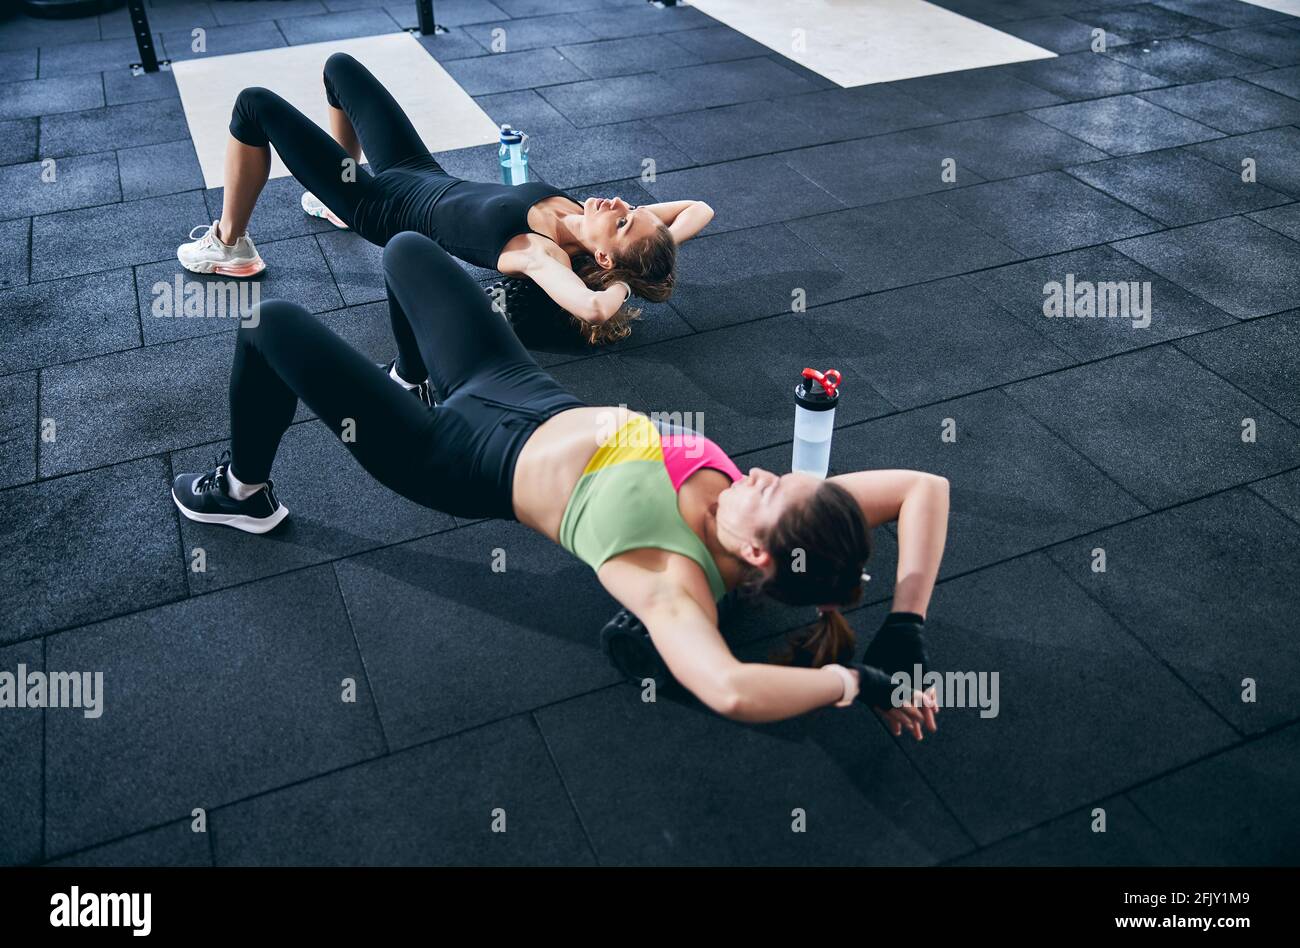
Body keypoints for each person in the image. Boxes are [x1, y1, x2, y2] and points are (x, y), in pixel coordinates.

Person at [171, 231, 947, 735]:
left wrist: (854, 684)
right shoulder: (792, 520)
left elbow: (733, 689)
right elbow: (924, 488)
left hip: (452, 454)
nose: (770, 472)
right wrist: (906, 628)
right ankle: (409, 380)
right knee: (409, 251)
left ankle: (244, 493)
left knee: (271, 321)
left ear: (753, 549)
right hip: (521, 388)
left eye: (772, 493)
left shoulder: (669, 579)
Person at [177, 52, 713, 345]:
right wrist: (647, 257)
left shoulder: (541, 254)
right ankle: (327, 196)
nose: (621, 204)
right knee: (340, 69)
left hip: (375, 206)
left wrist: (624, 280)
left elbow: (595, 308)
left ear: (602, 259)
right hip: (416, 169)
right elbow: (700, 210)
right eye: (632, 210)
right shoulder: (587, 218)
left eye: (623, 224)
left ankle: (230, 244)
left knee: (253, 106)